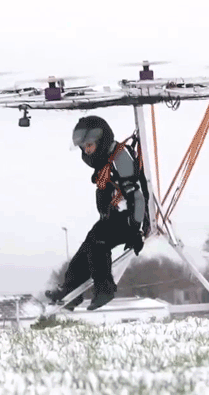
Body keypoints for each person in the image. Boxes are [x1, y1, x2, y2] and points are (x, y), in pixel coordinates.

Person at [45, 115, 147, 311]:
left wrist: (136, 230)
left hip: (128, 219)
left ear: (101, 141)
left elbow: (138, 198)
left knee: (98, 244)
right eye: (83, 147)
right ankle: (70, 290)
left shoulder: (120, 158)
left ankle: (104, 290)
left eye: (89, 145)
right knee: (86, 248)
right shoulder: (106, 159)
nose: (86, 150)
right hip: (113, 217)